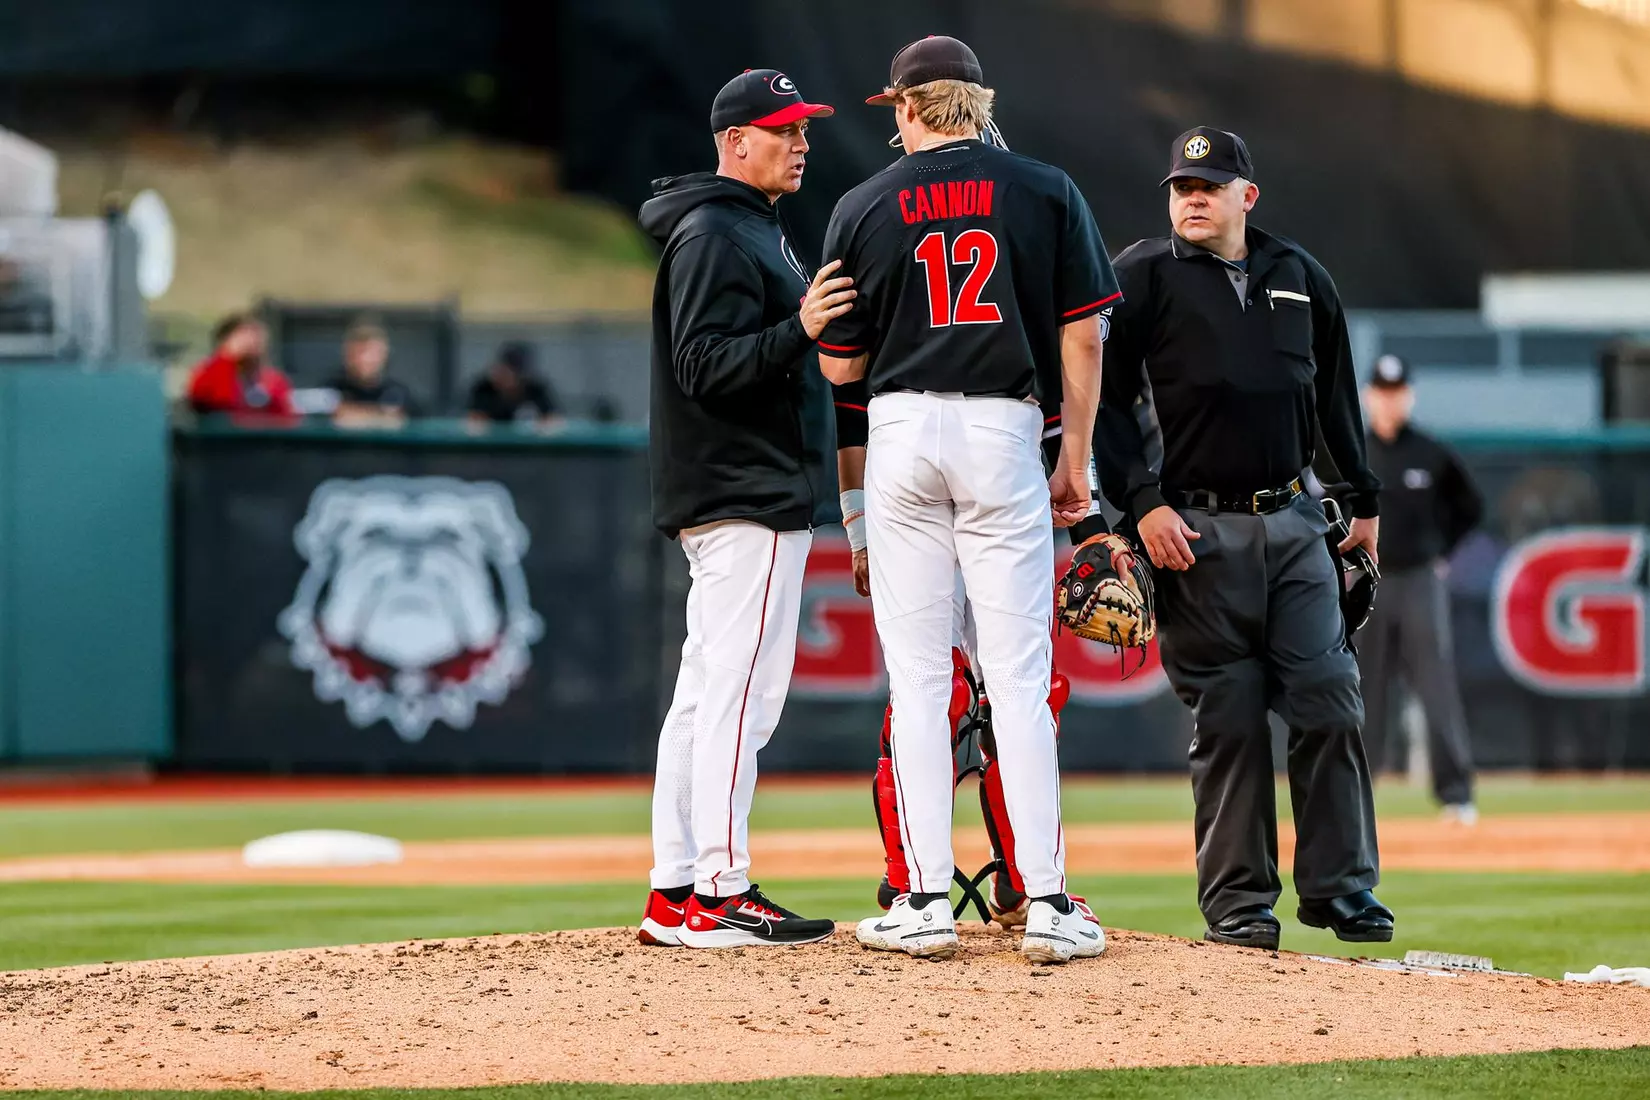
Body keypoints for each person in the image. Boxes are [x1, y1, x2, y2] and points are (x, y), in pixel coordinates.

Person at [817, 35, 1113, 963]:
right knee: (1019, 679)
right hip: (1002, 429)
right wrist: (1079, 462)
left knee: (915, 680)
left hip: (901, 433)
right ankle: (1052, 904)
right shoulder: (1047, 188)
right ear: (979, 104)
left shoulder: (863, 204)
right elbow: (1087, 338)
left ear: (907, 110)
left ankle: (924, 903)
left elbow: (841, 367)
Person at [1095, 127, 1391, 952]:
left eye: (1209, 185)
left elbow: (1334, 395)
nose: (1192, 197)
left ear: (1245, 197)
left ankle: (1342, 888)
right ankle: (1239, 906)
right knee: (1226, 719)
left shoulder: (1299, 275)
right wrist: (1141, 504)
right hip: (1191, 528)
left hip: (1297, 522)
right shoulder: (1143, 276)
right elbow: (1104, 403)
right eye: (1181, 186)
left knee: (1330, 696)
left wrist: (1361, 501)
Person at [635, 68, 854, 949]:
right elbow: (704, 366)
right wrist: (798, 328)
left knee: (704, 698)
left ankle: (674, 890)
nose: (801, 143)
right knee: (738, 700)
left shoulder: (744, 227)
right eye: (784, 130)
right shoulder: (720, 234)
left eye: (803, 130)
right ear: (736, 141)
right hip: (745, 493)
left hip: (736, 491)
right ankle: (720, 891)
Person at [1359, 354, 1483, 822]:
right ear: (1370, 397)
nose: (1390, 401)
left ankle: (1456, 794)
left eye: (1397, 392)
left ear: (1408, 395)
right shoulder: (1354, 452)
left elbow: (1470, 507)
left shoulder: (1431, 453)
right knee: (1363, 691)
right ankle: (1358, 795)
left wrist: (1442, 551)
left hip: (1418, 581)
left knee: (1436, 688)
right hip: (1367, 584)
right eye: (1382, 392)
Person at [186, 313, 295, 419]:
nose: (252, 343)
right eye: (245, 336)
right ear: (226, 340)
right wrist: (227, 359)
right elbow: (215, 401)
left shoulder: (273, 379)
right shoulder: (209, 373)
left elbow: (284, 411)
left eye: (257, 338)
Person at [329, 320, 418, 427]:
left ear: (384, 355)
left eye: (371, 353)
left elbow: (403, 419)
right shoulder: (330, 389)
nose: (364, 359)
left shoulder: (399, 392)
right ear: (347, 355)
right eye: (358, 353)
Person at [467, 342, 562, 426]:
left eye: (510, 371)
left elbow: (553, 420)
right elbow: (474, 422)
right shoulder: (484, 388)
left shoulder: (536, 389)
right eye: (502, 369)